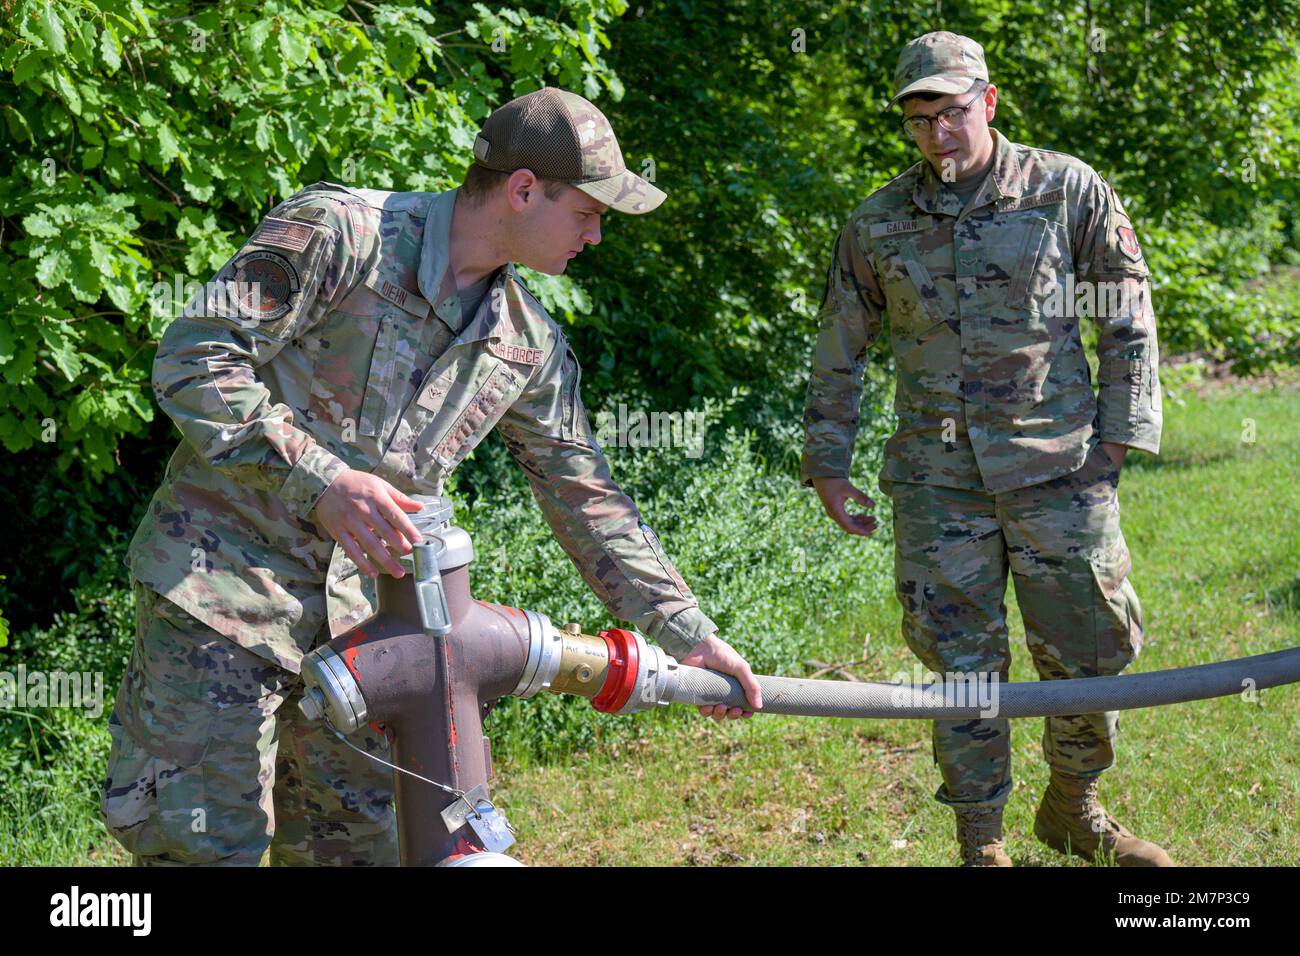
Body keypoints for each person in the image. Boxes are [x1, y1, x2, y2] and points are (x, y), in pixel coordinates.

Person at [103, 86, 763, 866]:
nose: (595, 235)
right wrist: (320, 480)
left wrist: (688, 633)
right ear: (523, 189)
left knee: (360, 856)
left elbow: (585, 495)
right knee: (202, 850)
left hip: (369, 639)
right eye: (588, 212)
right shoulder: (341, 233)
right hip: (221, 598)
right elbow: (194, 359)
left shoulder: (523, 342)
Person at [801, 32, 1170, 866]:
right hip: (937, 484)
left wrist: (1116, 439)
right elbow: (840, 344)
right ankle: (981, 840)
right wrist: (828, 462)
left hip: (1060, 469)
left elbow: (1125, 314)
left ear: (989, 103)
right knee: (961, 667)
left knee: (1088, 648)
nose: (937, 136)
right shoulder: (879, 220)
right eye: (919, 120)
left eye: (952, 114)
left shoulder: (1064, 189)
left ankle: (1075, 809)